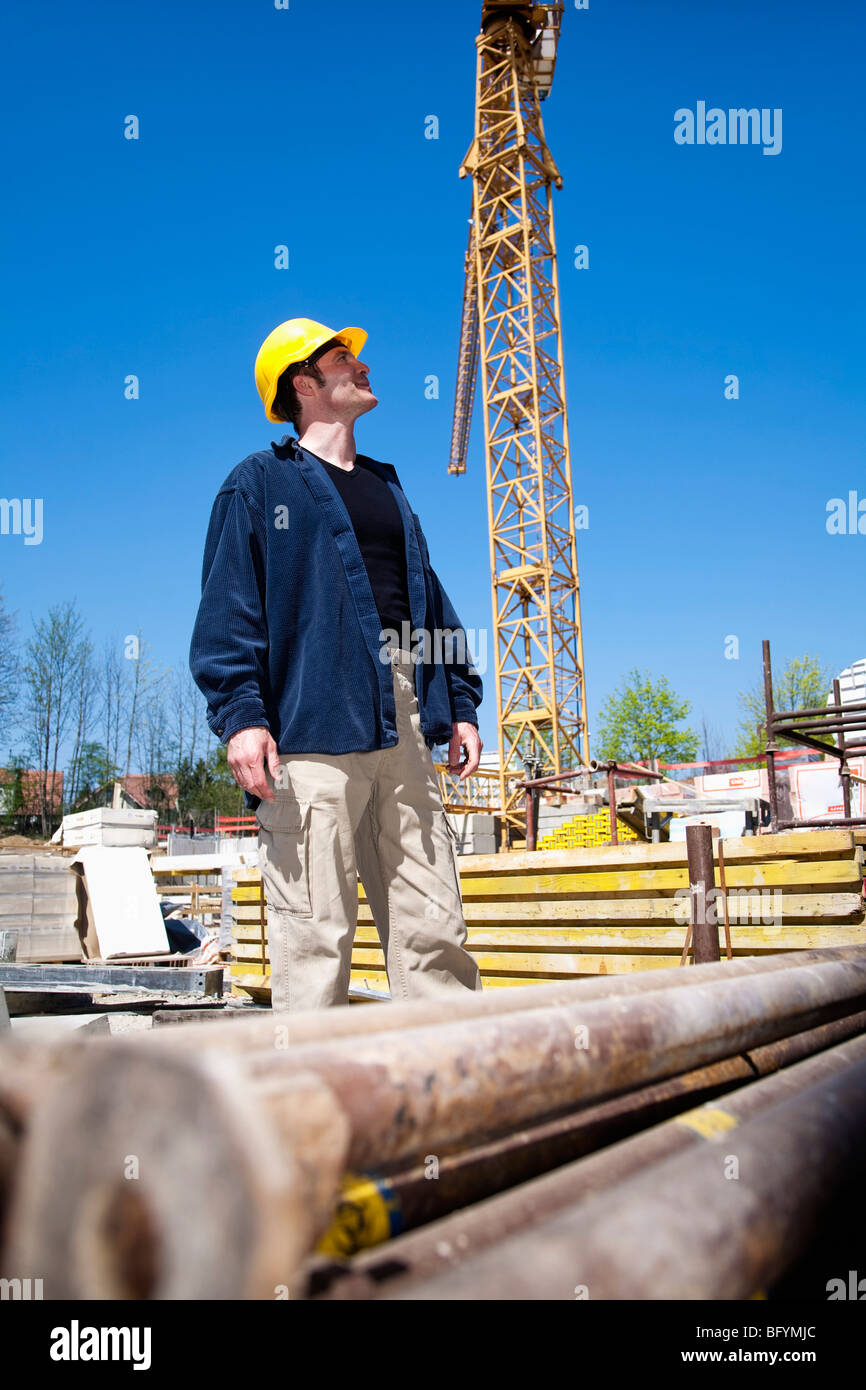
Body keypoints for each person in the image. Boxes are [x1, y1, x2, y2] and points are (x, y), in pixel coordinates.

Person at [189, 316, 484, 1010]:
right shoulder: (258, 483)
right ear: (305, 382)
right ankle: (313, 1102)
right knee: (316, 930)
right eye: (343, 357)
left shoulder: (387, 488)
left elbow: (428, 601)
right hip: (311, 718)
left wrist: (460, 704)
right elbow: (229, 608)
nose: (362, 365)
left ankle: (456, 1086)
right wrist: (241, 718)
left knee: (433, 920)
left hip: (402, 717)